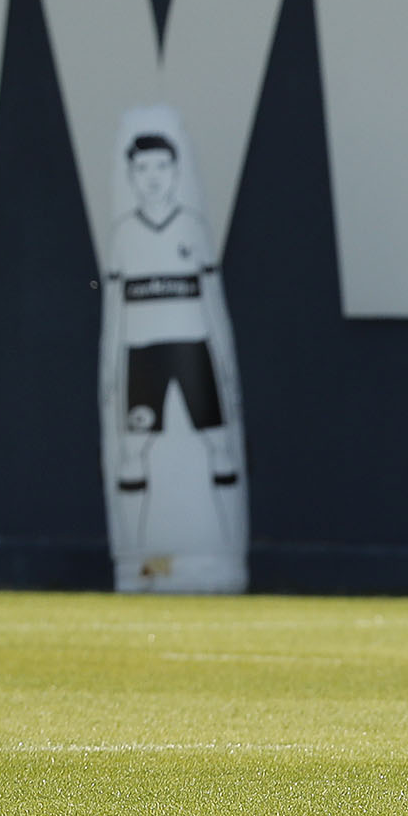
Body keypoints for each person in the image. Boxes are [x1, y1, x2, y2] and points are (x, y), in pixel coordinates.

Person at [103, 133, 244, 543]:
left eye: (162, 166)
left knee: (218, 445)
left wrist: (224, 365)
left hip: (193, 351)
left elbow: (213, 301)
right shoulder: (124, 234)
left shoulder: (192, 227)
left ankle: (226, 544)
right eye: (143, 168)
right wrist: (113, 369)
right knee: (133, 452)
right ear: (130, 174)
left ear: (176, 171)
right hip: (143, 356)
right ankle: (136, 552)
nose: (153, 177)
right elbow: (113, 307)